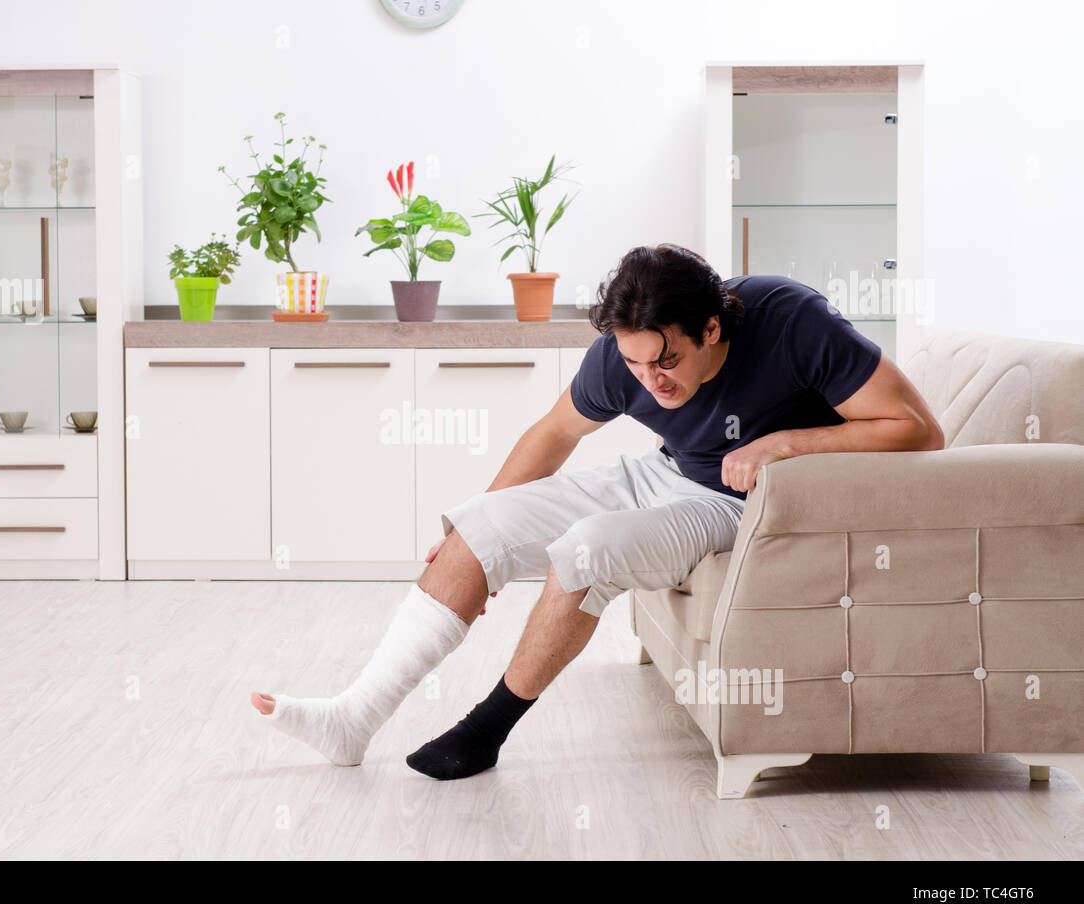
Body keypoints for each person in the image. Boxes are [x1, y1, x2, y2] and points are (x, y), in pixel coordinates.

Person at [250, 243, 944, 780]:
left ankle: (486, 731)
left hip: (744, 504)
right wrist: (482, 531)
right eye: (637, 365)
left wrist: (782, 443)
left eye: (666, 360)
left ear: (711, 326)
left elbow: (918, 428)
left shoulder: (791, 321)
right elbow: (553, 434)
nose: (652, 380)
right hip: (664, 472)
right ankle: (354, 720)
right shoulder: (625, 353)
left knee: (589, 548)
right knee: (472, 530)